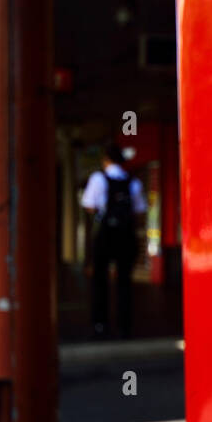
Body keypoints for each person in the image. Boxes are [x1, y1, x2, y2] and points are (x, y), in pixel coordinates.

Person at [81, 143, 146, 338]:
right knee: (124, 281)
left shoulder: (99, 178)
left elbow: (89, 205)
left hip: (105, 235)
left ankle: (101, 324)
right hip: (125, 236)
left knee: (100, 280)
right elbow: (139, 210)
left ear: (105, 160)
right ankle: (124, 325)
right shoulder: (133, 182)